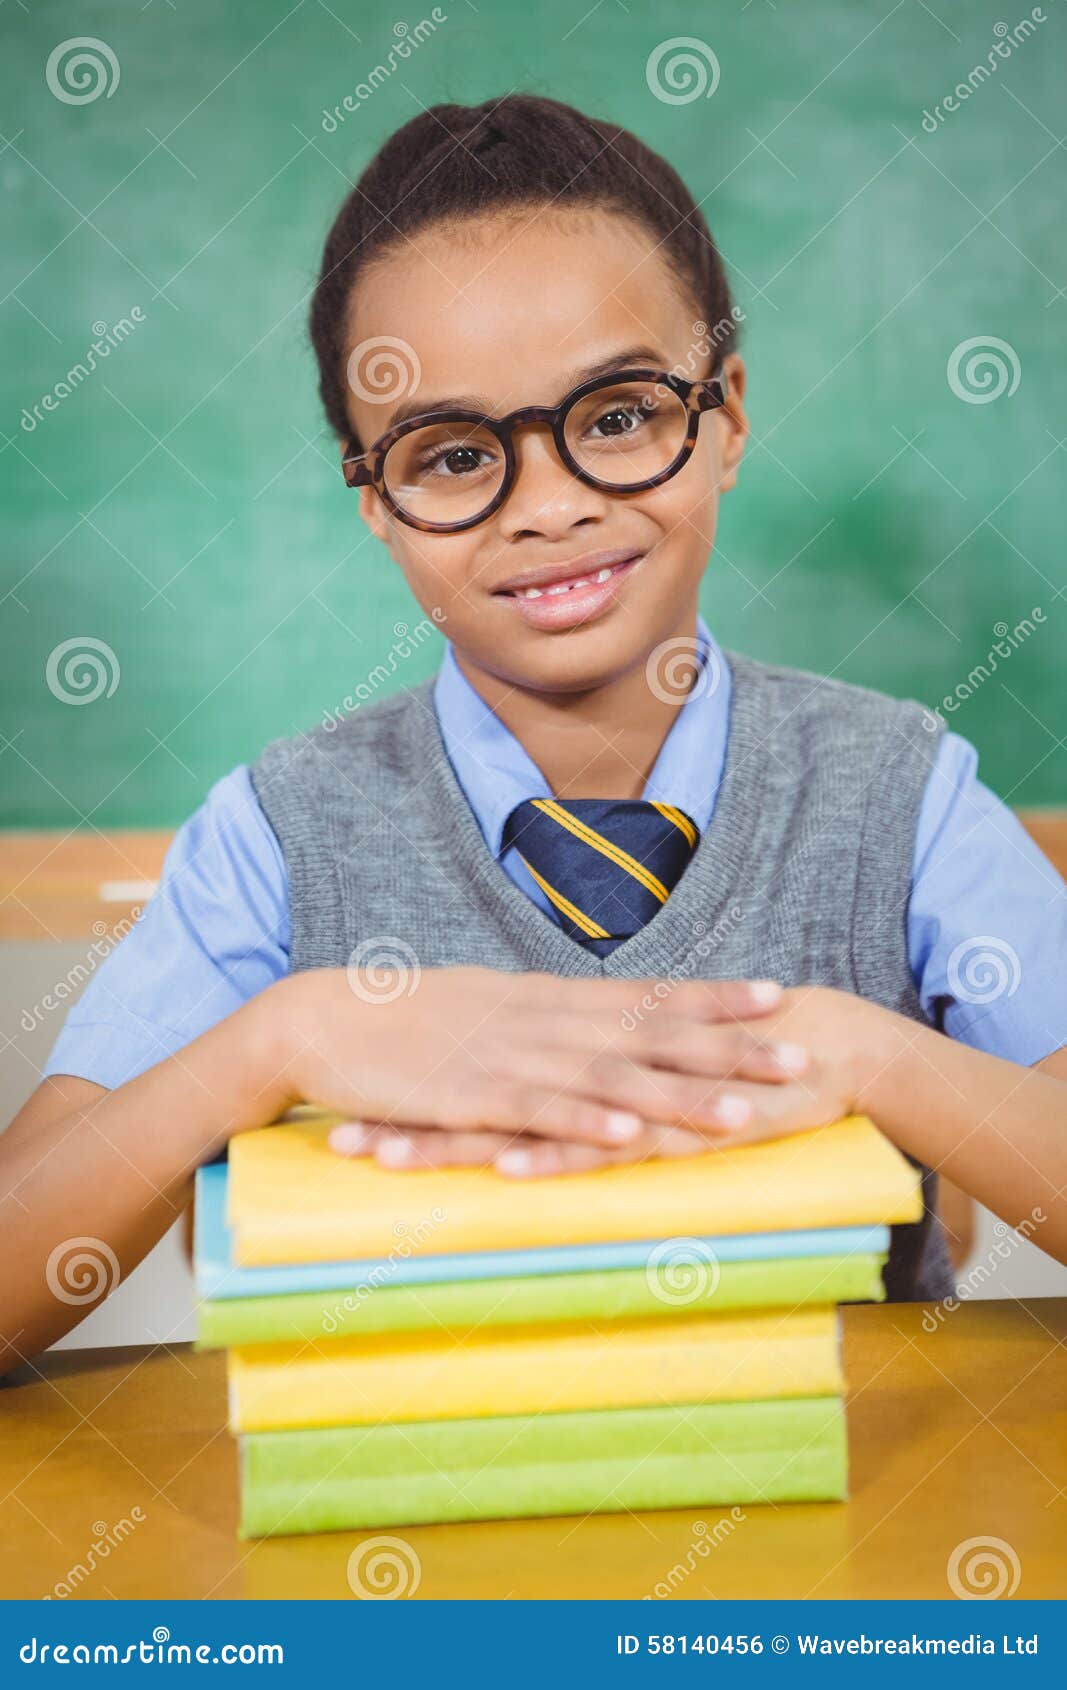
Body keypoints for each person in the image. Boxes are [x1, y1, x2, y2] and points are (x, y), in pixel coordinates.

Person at [5, 95, 1066, 1377]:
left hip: (837, 1498)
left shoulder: (901, 794)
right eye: (452, 454)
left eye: (615, 416)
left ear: (723, 417)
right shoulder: (276, 838)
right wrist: (276, 1040)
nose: (549, 507)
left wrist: (864, 1055)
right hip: (406, 1494)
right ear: (373, 500)